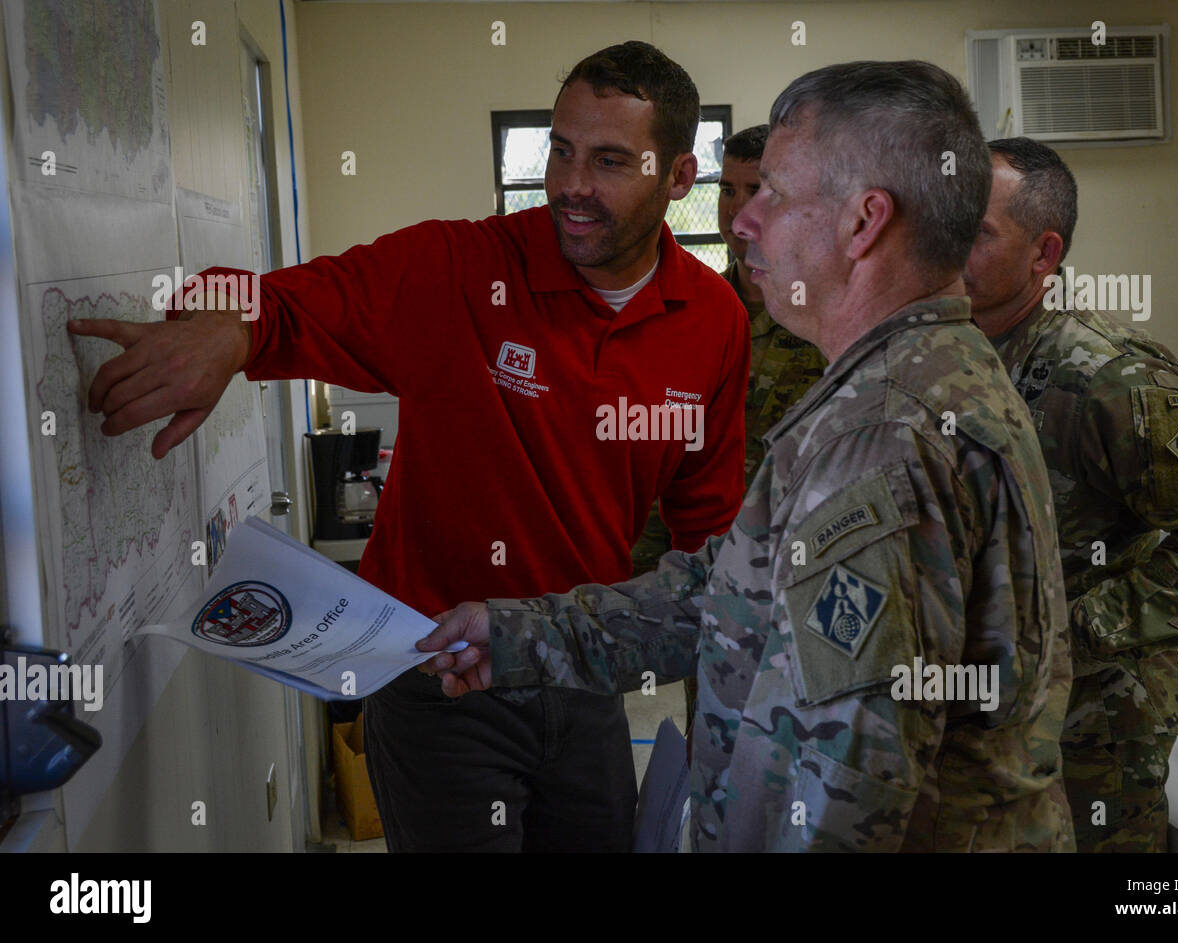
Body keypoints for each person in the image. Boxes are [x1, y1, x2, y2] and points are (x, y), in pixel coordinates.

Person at [69, 41, 751, 852]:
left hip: (581, 675)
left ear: (678, 176)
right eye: (560, 151)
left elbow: (710, 534)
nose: (570, 185)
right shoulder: (459, 269)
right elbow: (299, 302)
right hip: (439, 678)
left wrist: (728, 714)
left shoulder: (713, 320)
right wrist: (231, 327)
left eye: (608, 161)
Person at [422, 61, 1076, 853]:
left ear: (863, 222)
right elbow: (737, 589)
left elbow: (838, 800)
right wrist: (524, 634)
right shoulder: (920, 375)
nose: (742, 221)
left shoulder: (884, 437)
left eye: (774, 192)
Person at [961, 137, 1178, 852]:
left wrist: (1074, 633)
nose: (949, 243)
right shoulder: (953, 355)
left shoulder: (1102, 371)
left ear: (1043, 255)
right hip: (984, 728)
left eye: (978, 232)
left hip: (1091, 732)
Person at [630, 124, 826, 740]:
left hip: (805, 588)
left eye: (757, 189)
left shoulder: (822, 318)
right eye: (727, 190)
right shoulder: (691, 311)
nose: (738, 209)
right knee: (715, 747)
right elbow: (667, 458)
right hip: (711, 578)